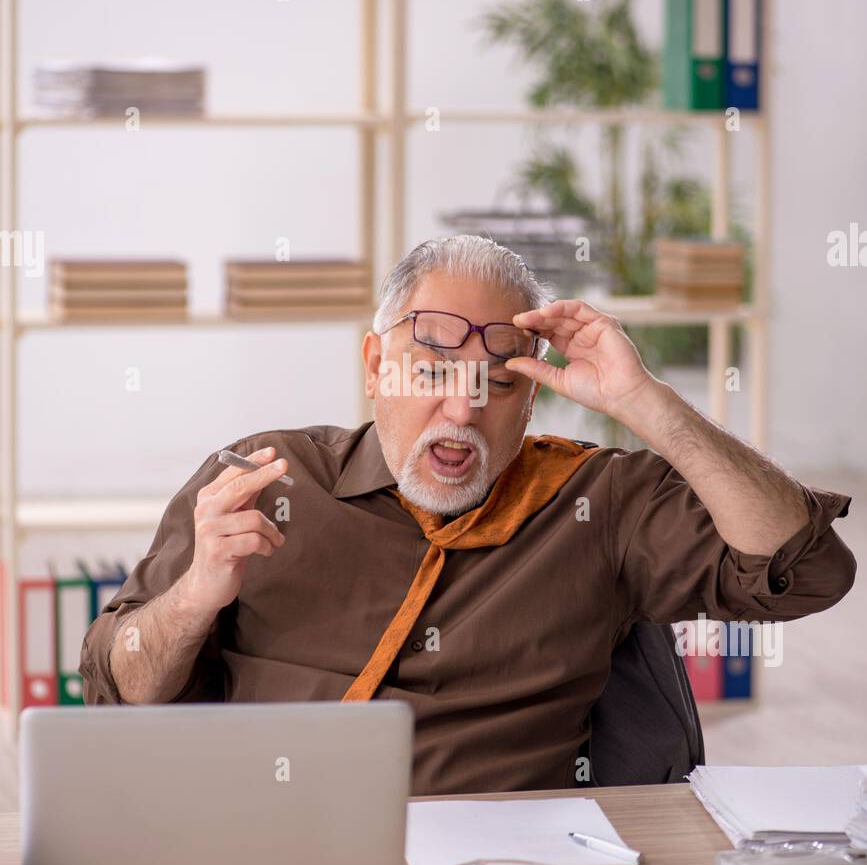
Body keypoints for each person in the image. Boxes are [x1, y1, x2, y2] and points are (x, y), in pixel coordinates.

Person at [80, 235, 856, 795]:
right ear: (376, 367)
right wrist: (192, 599)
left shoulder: (597, 502)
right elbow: (119, 689)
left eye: (500, 384)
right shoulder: (263, 477)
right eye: (431, 370)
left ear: (532, 396)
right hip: (260, 847)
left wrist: (643, 403)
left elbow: (805, 571)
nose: (463, 408)